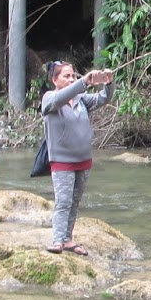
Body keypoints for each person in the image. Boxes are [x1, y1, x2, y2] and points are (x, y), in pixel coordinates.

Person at [40, 59, 114, 255]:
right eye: (66, 76)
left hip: (83, 160)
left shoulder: (81, 100)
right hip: (62, 161)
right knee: (63, 201)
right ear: (55, 80)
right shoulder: (49, 98)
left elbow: (103, 99)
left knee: (75, 201)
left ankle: (67, 239)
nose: (71, 79)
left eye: (73, 75)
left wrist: (108, 82)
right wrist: (83, 83)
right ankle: (57, 240)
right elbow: (58, 100)